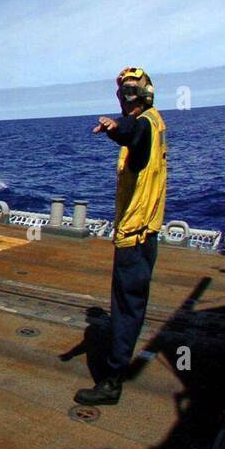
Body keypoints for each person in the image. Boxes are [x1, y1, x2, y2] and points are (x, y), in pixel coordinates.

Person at [75, 67, 168, 407]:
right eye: (122, 92)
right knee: (131, 308)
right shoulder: (156, 121)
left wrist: (116, 129)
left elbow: (133, 133)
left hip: (135, 236)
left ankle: (112, 382)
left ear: (144, 94)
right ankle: (116, 369)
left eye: (130, 91)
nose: (124, 98)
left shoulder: (143, 124)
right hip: (147, 232)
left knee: (125, 310)